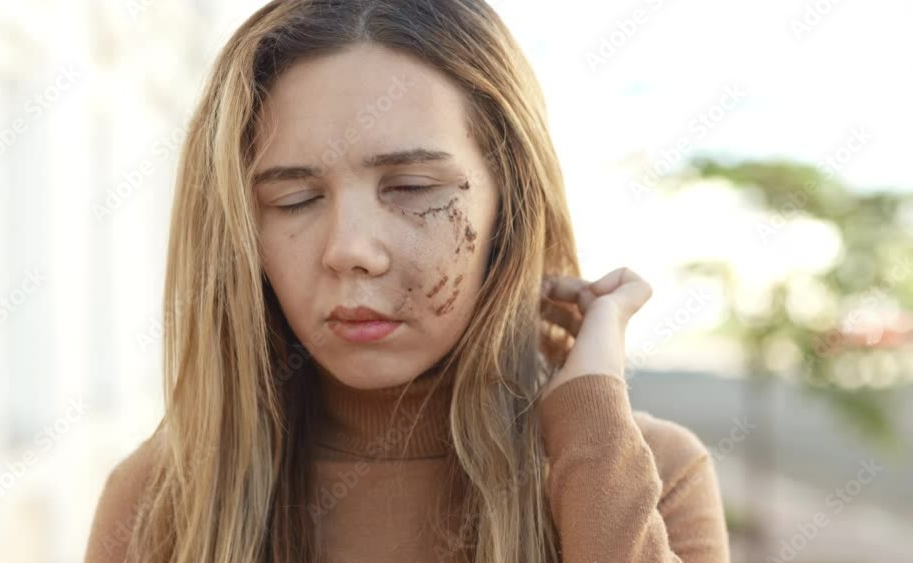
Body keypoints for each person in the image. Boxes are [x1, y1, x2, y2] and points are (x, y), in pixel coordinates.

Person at [83, 1, 730, 561]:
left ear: (509, 205)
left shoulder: (648, 474)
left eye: (412, 188)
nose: (348, 250)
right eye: (295, 199)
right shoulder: (160, 502)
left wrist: (589, 425)